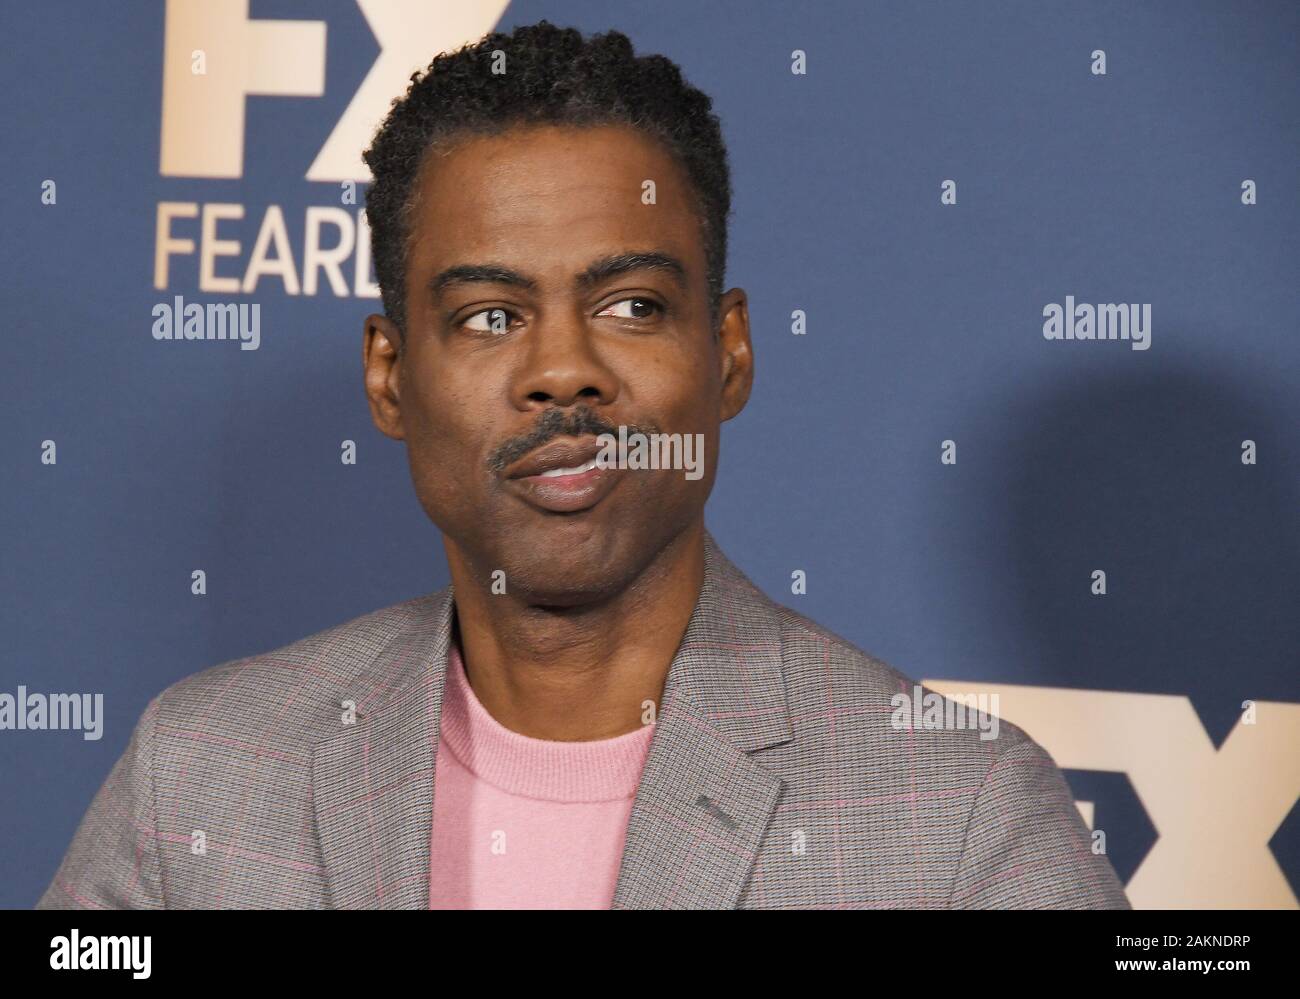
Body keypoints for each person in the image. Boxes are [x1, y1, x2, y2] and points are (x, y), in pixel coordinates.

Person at [38, 21, 1128, 909]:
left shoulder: (958, 817)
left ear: (729, 354)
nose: (563, 371)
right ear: (389, 377)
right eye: (490, 315)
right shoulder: (201, 771)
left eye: (632, 306)